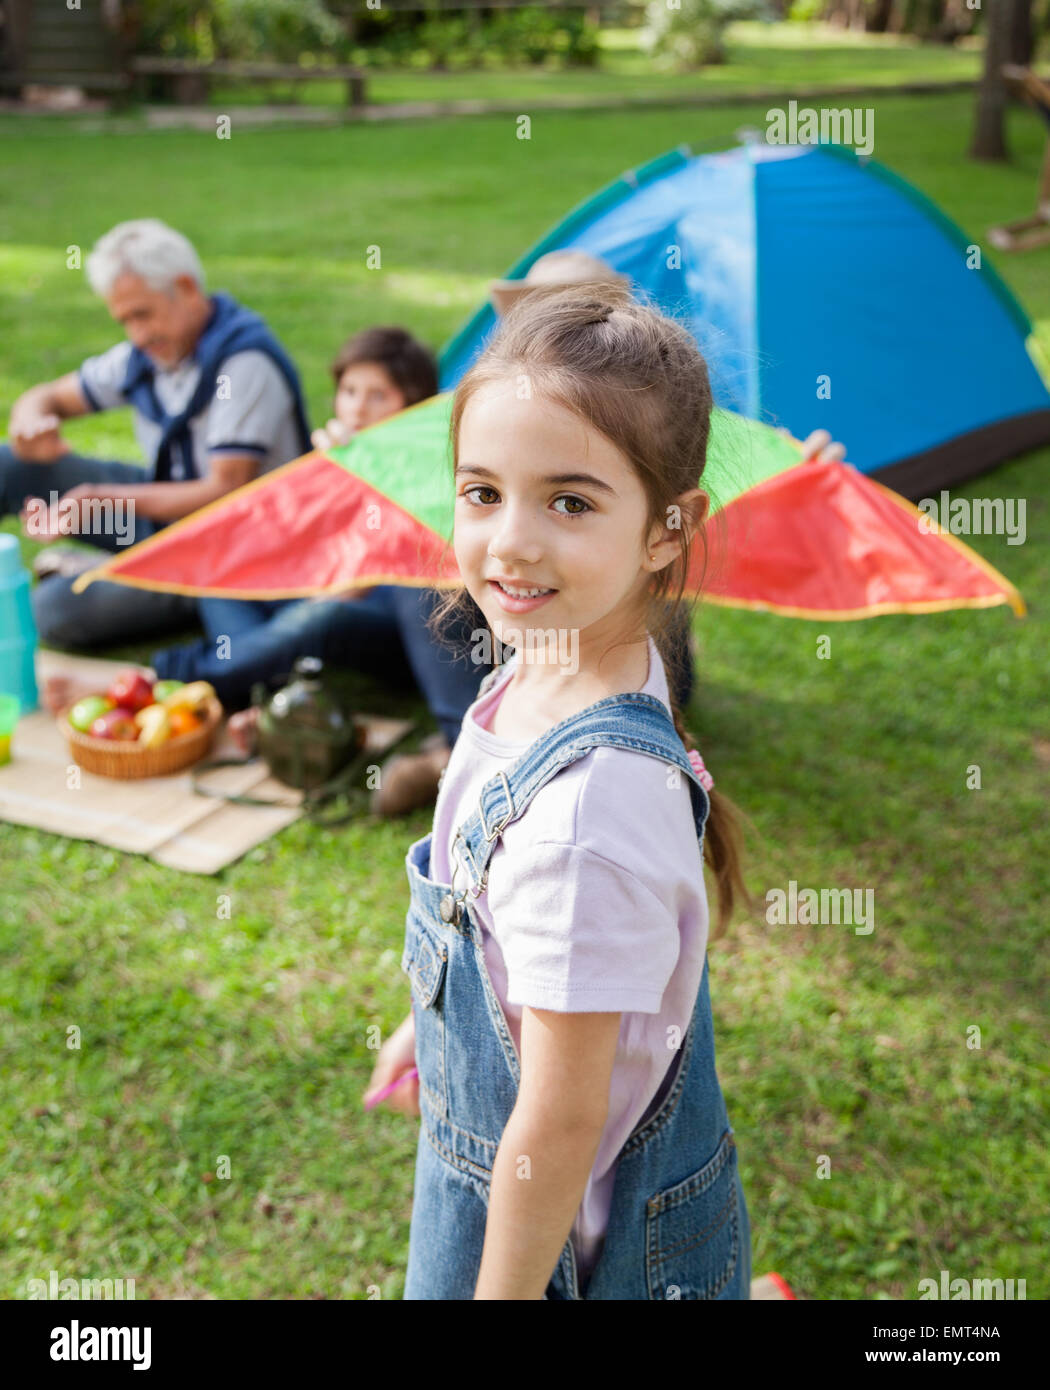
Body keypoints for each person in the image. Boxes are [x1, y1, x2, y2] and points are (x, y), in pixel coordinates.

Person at [363, 281, 754, 1300]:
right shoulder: (555, 655)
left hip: (573, 1252)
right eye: (482, 491)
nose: (511, 543)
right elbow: (485, 908)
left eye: (569, 500)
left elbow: (559, 1119)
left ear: (669, 528)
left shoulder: (586, 818)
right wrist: (441, 1017)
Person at [1, 218, 311, 648]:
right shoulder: (149, 352)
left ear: (185, 287)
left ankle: (181, 593)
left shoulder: (244, 363)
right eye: (124, 320)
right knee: (9, 465)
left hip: (232, 545)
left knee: (54, 610)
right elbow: (48, 395)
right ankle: (121, 568)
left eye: (142, 314)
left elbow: (226, 490)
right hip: (165, 510)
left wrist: (99, 501)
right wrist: (31, 420)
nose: (137, 334)